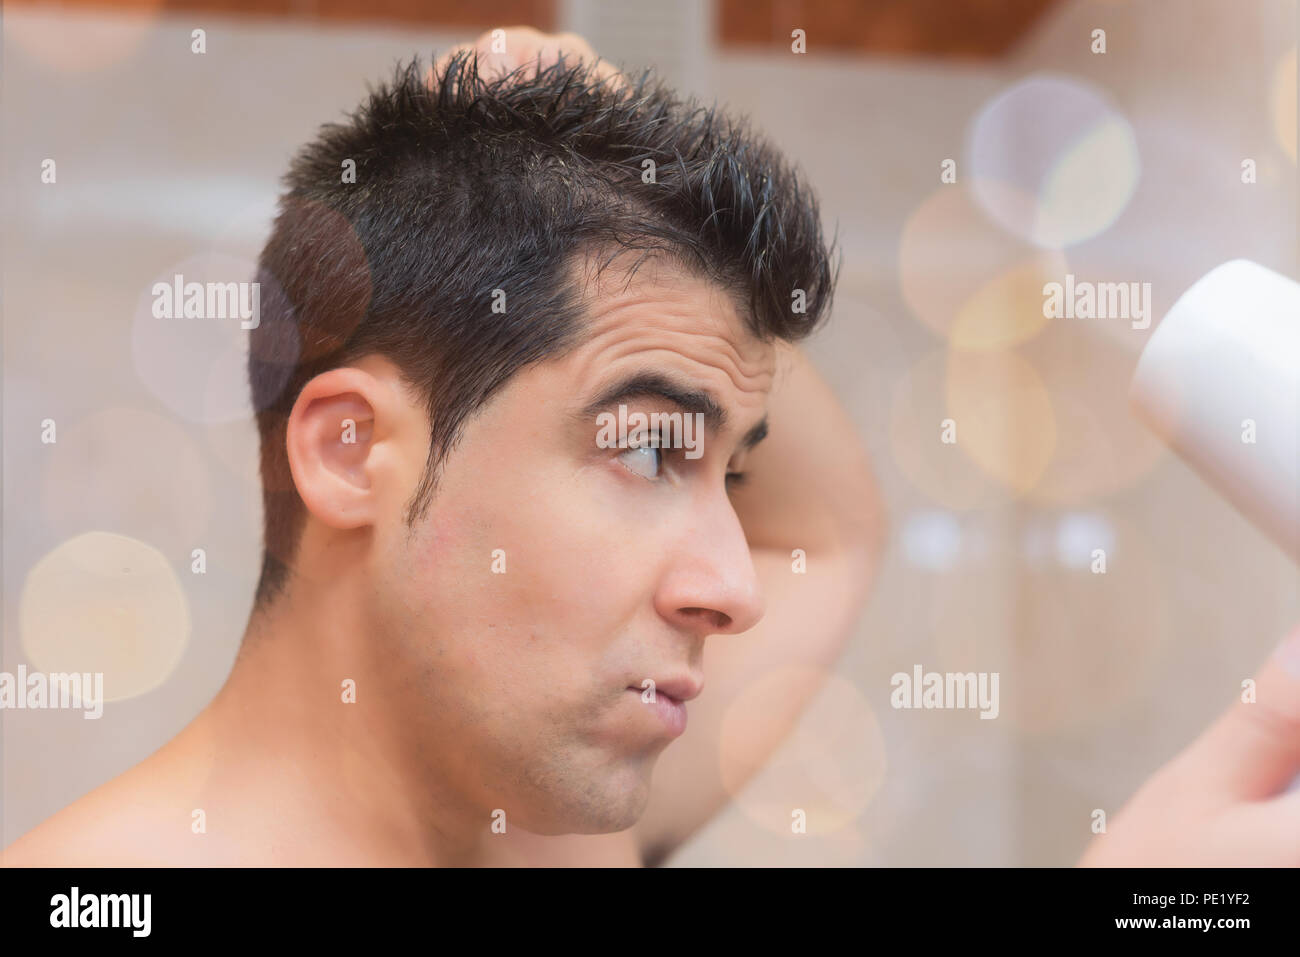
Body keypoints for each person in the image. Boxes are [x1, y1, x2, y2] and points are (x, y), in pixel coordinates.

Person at [5, 28, 1298, 868]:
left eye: (729, 468)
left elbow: (826, 533)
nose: (732, 587)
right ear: (350, 452)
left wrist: (624, 184)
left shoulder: (542, 822)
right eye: (643, 452)